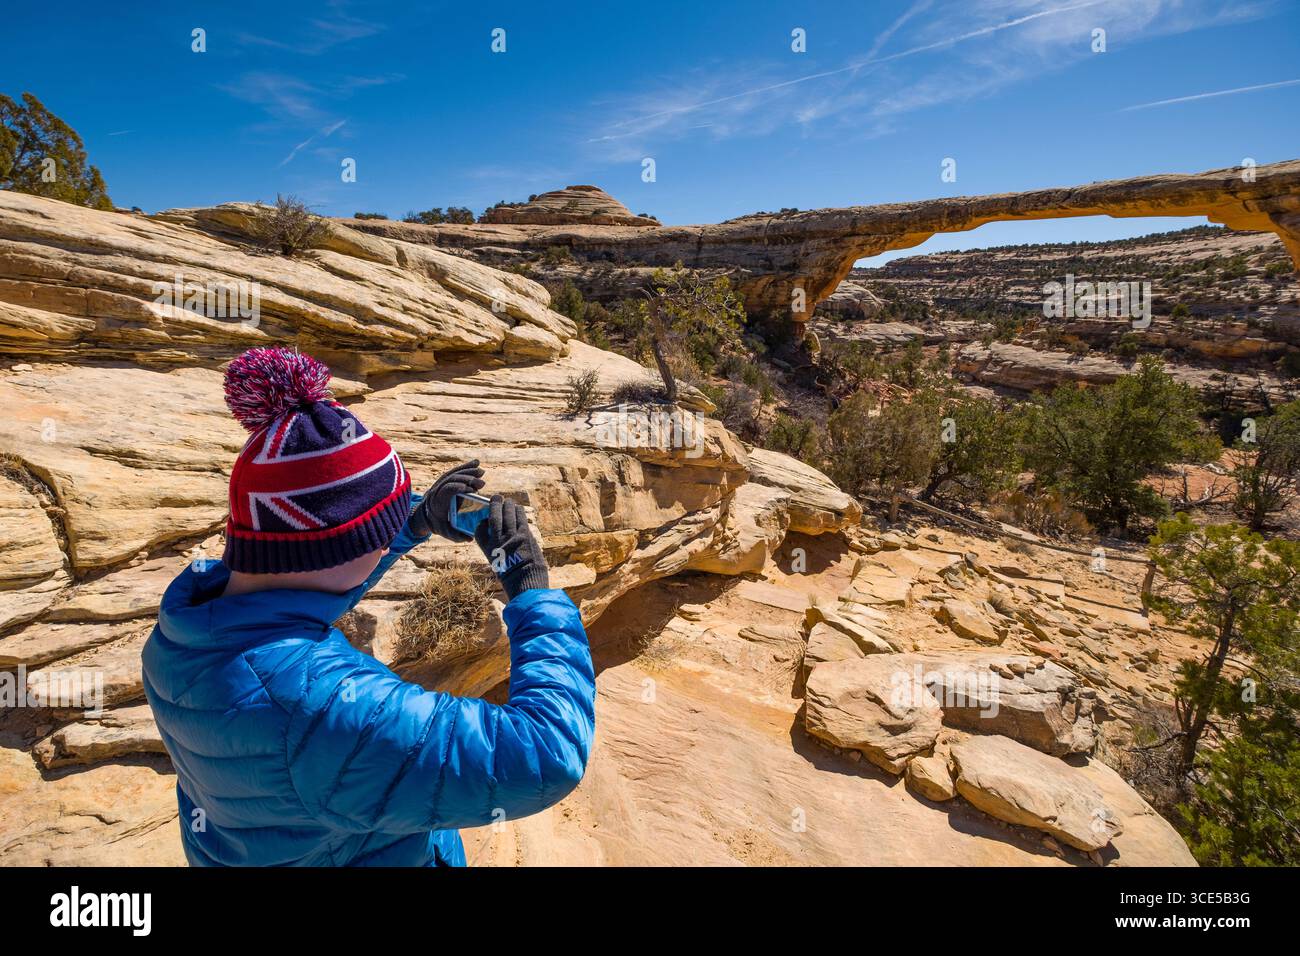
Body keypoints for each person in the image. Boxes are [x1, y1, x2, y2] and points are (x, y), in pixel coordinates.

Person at [142, 346, 595, 866]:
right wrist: (533, 595)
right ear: (341, 550)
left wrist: (415, 523)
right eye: (380, 533)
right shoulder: (326, 708)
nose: (384, 545)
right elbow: (545, 754)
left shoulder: (186, 627)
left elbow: (300, 588)